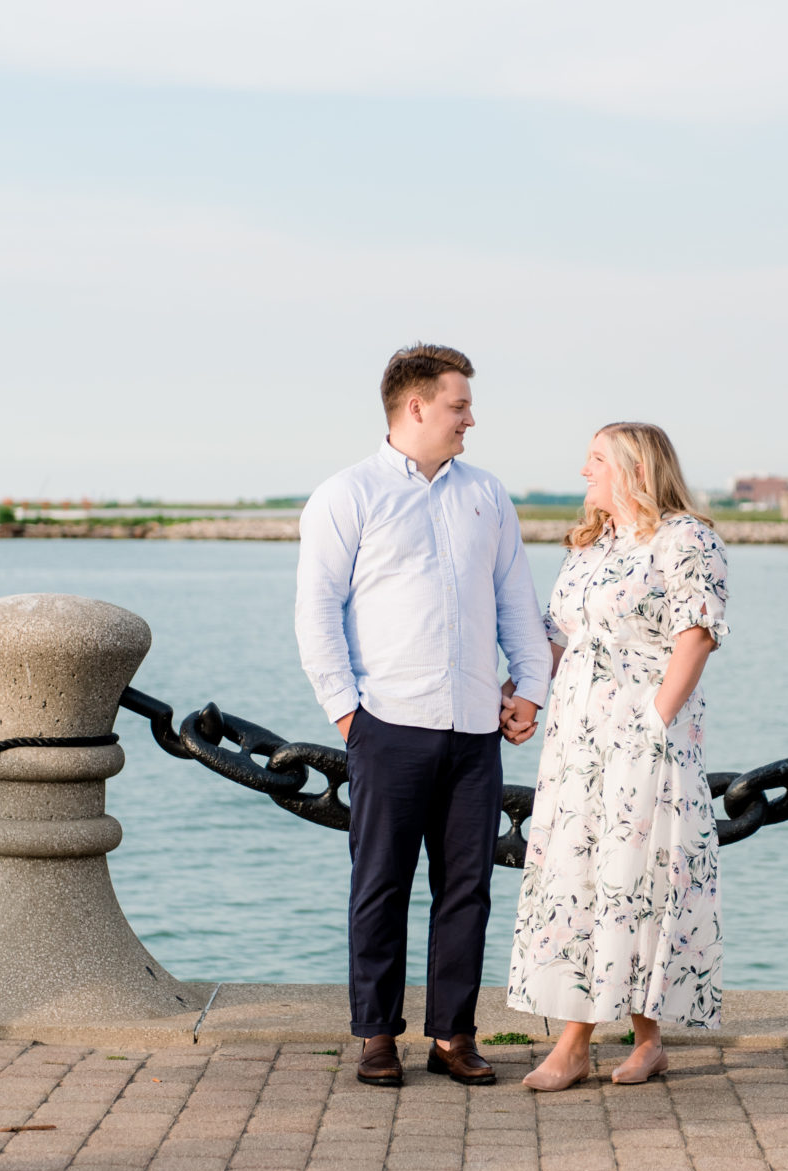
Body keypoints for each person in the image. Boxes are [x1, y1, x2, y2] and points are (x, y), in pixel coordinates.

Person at [295, 343, 552, 1088]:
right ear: (416, 407)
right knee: (380, 881)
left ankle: (453, 1035)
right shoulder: (348, 495)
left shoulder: (487, 494)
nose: (471, 418)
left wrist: (530, 686)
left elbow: (514, 601)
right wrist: (349, 715)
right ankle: (376, 1033)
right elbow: (317, 614)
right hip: (387, 725)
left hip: (475, 728)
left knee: (467, 886)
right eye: (459, 405)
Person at [506, 421, 727, 1090]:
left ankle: (572, 1045)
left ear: (634, 467)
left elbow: (697, 635)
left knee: (632, 873)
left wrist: (654, 723)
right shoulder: (590, 544)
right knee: (586, 870)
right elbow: (555, 636)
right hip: (577, 739)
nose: (584, 471)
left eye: (596, 459)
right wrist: (524, 699)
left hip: (644, 735)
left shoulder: (685, 539)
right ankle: (647, 1037)